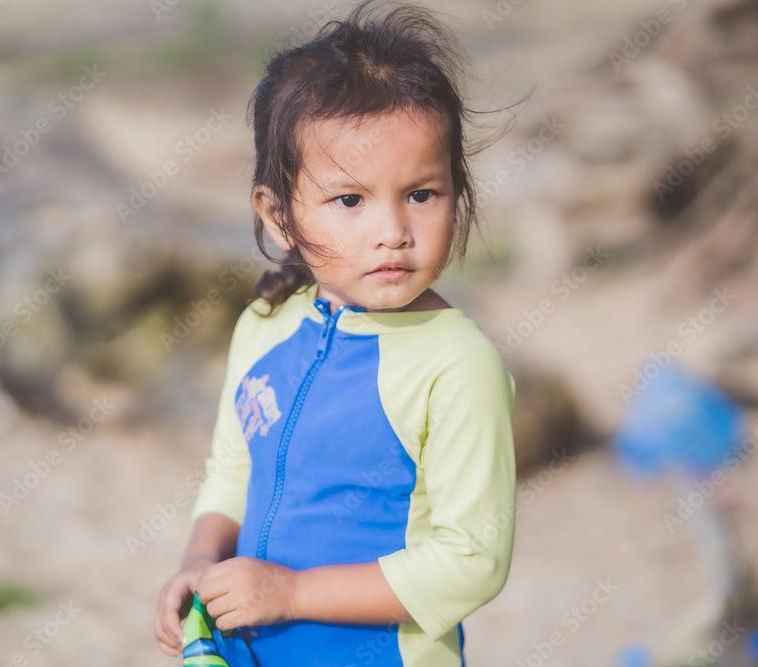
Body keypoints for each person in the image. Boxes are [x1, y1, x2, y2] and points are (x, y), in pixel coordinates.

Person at [154, 1, 518, 664]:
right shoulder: (265, 324)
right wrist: (199, 560)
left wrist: (293, 592)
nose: (393, 230)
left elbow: (473, 558)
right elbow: (233, 468)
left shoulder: (457, 362)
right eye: (350, 199)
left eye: (422, 193)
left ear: (458, 192)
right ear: (278, 214)